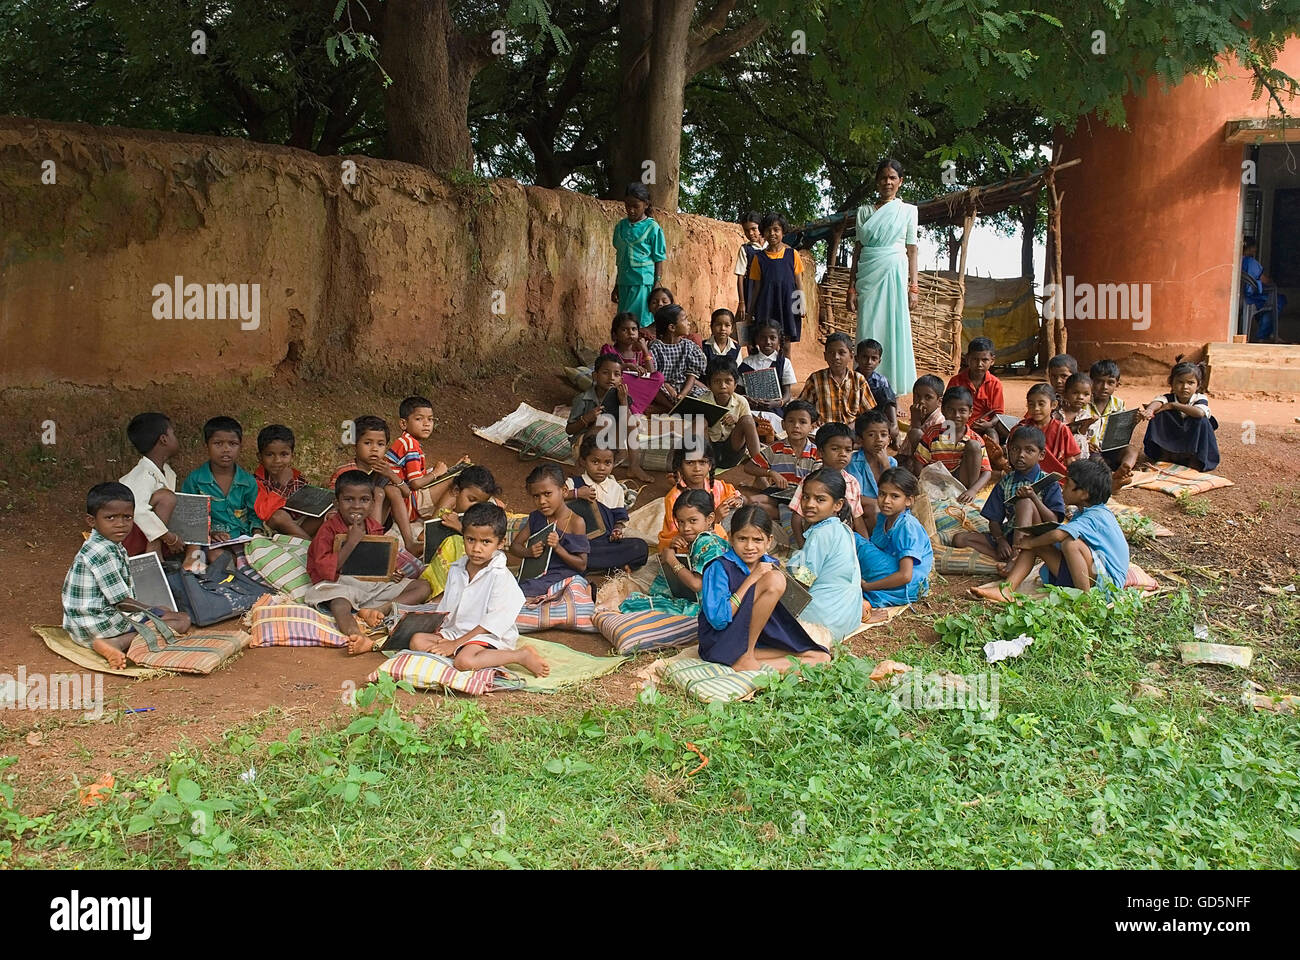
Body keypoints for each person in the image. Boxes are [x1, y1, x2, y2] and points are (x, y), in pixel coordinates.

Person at [351, 504, 550, 678]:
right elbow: (447, 606)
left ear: (500, 543)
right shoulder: (457, 568)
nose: (476, 548)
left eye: (486, 542)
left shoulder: (501, 577)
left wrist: (454, 646)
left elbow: (491, 624)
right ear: (463, 537)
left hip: (485, 636)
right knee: (417, 640)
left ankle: (520, 655)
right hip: (455, 632)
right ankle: (384, 645)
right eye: (471, 540)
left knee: (464, 662)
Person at [63, 482, 191, 669]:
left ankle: (119, 638)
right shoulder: (103, 552)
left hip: (80, 625)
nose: (120, 524)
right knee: (182, 620)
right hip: (98, 625)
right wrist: (150, 610)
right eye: (111, 518)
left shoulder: (103, 544)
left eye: (127, 517)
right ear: (91, 521)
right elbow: (122, 602)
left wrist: (155, 610)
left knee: (164, 611)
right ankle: (117, 643)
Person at [697, 505, 830, 672]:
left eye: (758, 540)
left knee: (821, 657)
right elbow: (719, 620)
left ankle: (749, 663)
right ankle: (747, 656)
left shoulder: (770, 563)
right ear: (731, 538)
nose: (749, 546)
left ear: (769, 541)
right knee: (775, 579)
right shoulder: (719, 568)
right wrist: (752, 580)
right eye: (742, 539)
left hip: (756, 639)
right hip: (721, 643)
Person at [973, 459, 1129, 600]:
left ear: (1083, 494)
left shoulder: (1097, 515)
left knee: (1070, 543)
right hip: (1090, 575)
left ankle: (1086, 602)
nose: (1063, 488)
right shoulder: (1082, 511)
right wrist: (1033, 542)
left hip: (1108, 586)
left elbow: (1059, 534)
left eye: (1068, 484)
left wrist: (1030, 543)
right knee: (1038, 543)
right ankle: (1006, 590)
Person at [303, 471, 422, 648]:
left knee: (422, 586)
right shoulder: (328, 531)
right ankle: (356, 636)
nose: (356, 506)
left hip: (371, 586)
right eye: (349, 499)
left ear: (373, 503)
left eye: (364, 500)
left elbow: (379, 562)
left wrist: (392, 573)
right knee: (339, 603)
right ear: (336, 503)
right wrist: (350, 542)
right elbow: (324, 570)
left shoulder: (374, 527)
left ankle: (378, 611)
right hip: (340, 585)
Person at [846, 158, 920, 391]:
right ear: (877, 182)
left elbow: (912, 249)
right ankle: (863, 390)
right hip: (868, 273)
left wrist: (914, 287)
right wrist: (851, 286)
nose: (887, 182)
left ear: (900, 182)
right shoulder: (864, 211)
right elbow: (857, 250)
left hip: (895, 273)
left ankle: (891, 393)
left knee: (893, 328)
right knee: (868, 328)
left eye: (892, 178)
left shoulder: (908, 211)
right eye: (883, 178)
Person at [952, 425, 1065, 569]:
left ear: (1041, 455)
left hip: (1038, 538)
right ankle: (1008, 556)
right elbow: (994, 521)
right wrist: (1001, 541)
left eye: (1029, 450)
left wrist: (1033, 498)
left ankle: (1015, 558)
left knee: (1024, 502)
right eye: (1015, 449)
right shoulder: (1006, 482)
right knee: (960, 539)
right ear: (1009, 451)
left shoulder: (1048, 482)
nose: (1021, 455)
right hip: (1010, 534)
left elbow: (1053, 521)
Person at [619, 489, 730, 617]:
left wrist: (672, 560)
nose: (686, 528)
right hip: (714, 603)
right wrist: (675, 549)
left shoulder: (706, 542)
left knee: (634, 603)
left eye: (693, 521)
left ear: (710, 518)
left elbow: (696, 585)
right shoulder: (706, 539)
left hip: (707, 608)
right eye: (681, 522)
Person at [787, 469, 864, 643]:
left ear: (837, 505)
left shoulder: (821, 534)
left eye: (820, 499)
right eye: (806, 497)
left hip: (822, 624)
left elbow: (804, 579)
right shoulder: (843, 529)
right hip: (847, 620)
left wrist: (781, 607)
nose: (809, 504)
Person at [329, 415, 421, 555]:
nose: (374, 449)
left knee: (391, 490)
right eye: (368, 443)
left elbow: (406, 493)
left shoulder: (381, 469)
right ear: (355, 445)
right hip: (349, 523)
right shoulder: (346, 472)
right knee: (378, 491)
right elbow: (332, 503)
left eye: (380, 444)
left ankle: (410, 543)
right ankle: (374, 544)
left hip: (373, 522)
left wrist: (391, 474)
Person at [181, 416, 261, 567]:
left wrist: (257, 534)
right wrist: (210, 534)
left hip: (243, 540)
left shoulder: (248, 481)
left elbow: (254, 515)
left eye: (232, 444)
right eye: (218, 443)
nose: (226, 449)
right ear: (207, 446)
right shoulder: (195, 480)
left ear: (240, 447)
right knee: (217, 557)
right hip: (211, 543)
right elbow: (189, 519)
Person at [566, 435, 649, 572]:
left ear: (613, 463)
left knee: (640, 547)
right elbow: (556, 499)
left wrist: (616, 530)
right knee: (563, 548)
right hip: (579, 542)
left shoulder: (616, 488)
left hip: (605, 544)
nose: (601, 468)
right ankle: (609, 566)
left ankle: (592, 565)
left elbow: (619, 518)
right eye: (595, 462)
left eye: (607, 463)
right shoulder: (573, 484)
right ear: (583, 461)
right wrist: (577, 493)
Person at [421, 465, 506, 596]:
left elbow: (491, 548)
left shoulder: (485, 522)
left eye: (480, 503)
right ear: (456, 491)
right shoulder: (446, 516)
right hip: (438, 574)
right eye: (471, 500)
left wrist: (459, 528)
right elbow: (422, 542)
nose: (474, 507)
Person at [856, 467, 933, 611]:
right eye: (882, 494)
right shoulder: (884, 518)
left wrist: (867, 586)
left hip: (906, 585)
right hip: (890, 571)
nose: (886, 501)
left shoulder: (906, 526)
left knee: (853, 539)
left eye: (894, 496)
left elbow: (905, 576)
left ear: (909, 500)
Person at [509, 464, 590, 598]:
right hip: (536, 574)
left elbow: (582, 565)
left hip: (563, 575)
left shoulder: (576, 522)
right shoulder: (536, 517)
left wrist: (558, 548)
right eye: (536, 496)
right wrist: (528, 552)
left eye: (547, 494)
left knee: (523, 591)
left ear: (564, 490)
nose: (542, 501)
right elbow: (514, 547)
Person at [118, 412, 184, 558]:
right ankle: (154, 553)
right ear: (164, 439)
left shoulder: (167, 471)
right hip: (126, 534)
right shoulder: (142, 474)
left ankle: (156, 550)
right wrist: (169, 538)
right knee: (167, 498)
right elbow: (138, 511)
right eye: (173, 433)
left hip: (144, 533)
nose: (176, 438)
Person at [909, 385, 991, 501]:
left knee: (974, 446)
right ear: (943, 410)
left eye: (962, 411)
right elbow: (919, 461)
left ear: (970, 412)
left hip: (962, 482)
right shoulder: (933, 433)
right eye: (951, 410)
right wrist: (922, 484)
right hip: (936, 482)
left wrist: (973, 490)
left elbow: (986, 472)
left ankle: (968, 495)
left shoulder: (975, 438)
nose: (956, 415)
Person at [790, 422, 867, 544]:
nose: (843, 454)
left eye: (848, 450)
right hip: (815, 540)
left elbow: (857, 518)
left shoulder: (852, 482)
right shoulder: (810, 481)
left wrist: (865, 544)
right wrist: (802, 547)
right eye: (835, 449)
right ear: (820, 452)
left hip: (843, 541)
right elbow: (797, 518)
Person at [658, 443, 744, 550]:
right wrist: (714, 520)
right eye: (690, 463)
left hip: (718, 534)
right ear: (680, 466)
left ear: (710, 465)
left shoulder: (716, 486)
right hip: (691, 543)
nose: (697, 468)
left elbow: (734, 494)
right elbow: (678, 533)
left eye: (702, 462)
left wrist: (737, 500)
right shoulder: (673, 498)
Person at [1140, 359, 1220, 472]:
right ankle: (1165, 455)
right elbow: (1157, 403)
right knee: (1159, 413)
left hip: (1192, 441)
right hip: (1173, 439)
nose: (1185, 387)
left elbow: (1199, 412)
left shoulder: (1200, 399)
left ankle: (1193, 458)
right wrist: (1149, 410)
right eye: (1180, 382)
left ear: (1198, 385)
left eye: (1190, 383)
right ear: (1171, 382)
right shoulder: (1167, 397)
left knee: (1201, 420)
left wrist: (1173, 405)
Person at [387, 396, 458, 522]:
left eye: (430, 419)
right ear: (403, 423)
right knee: (459, 481)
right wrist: (435, 473)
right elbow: (416, 483)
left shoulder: (405, 441)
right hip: (406, 504)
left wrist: (454, 467)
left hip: (402, 501)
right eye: (419, 419)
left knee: (455, 476)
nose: (426, 424)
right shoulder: (410, 445)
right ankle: (432, 524)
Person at [745, 398, 819, 518]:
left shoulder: (816, 452)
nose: (796, 426)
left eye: (802, 422)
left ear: (812, 426)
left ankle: (785, 516)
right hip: (778, 493)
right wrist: (771, 473)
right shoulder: (776, 448)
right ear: (783, 425)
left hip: (803, 497)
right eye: (791, 421)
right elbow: (749, 467)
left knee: (798, 513)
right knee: (753, 502)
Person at [610, 182, 666, 330]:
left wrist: (657, 283)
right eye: (627, 205)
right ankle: (625, 351)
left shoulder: (652, 228)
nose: (631, 210)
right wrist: (616, 285)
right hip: (624, 283)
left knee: (639, 321)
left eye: (636, 206)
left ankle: (642, 351)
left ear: (646, 205)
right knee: (623, 320)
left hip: (643, 283)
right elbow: (621, 259)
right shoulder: (620, 227)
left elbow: (658, 258)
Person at [746, 212, 804, 355]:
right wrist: (750, 312)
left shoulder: (793, 254)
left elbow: (799, 282)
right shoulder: (758, 258)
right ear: (763, 233)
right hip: (767, 306)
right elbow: (756, 288)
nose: (772, 233)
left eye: (776, 230)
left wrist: (801, 303)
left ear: (783, 232)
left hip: (787, 305)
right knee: (767, 346)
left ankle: (786, 376)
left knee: (786, 346)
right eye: (768, 230)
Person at [252, 424, 319, 540]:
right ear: (259, 457)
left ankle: (302, 540)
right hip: (270, 527)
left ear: (292, 455)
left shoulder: (297, 477)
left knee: (329, 513)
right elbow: (263, 514)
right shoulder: (256, 482)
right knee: (280, 516)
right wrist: (281, 486)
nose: (277, 460)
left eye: (284, 454)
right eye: (269, 454)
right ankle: (310, 544)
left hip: (296, 526)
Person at [799, 332, 874, 428]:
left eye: (842, 353)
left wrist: (852, 426)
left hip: (851, 431)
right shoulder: (815, 379)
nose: (836, 357)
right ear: (825, 356)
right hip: (823, 431)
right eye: (831, 353)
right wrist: (813, 421)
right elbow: (803, 407)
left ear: (851, 356)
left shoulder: (859, 380)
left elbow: (867, 413)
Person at [1085, 359, 1142, 485]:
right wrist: (1086, 442)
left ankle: (1126, 467)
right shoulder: (1084, 403)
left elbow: (1121, 431)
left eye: (1110, 383)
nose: (1104, 387)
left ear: (1117, 385)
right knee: (1094, 458)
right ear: (1091, 382)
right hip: (1090, 450)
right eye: (1099, 381)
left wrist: (1133, 423)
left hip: (1111, 449)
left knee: (1132, 450)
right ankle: (1111, 476)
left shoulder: (1119, 404)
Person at [738, 319, 797, 432]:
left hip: (775, 410)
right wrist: (747, 399)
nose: (768, 342)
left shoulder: (784, 363)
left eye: (772, 338)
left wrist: (777, 403)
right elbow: (738, 391)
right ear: (756, 339)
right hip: (750, 411)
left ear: (779, 340)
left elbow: (787, 394)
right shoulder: (747, 363)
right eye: (763, 338)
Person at [705, 356, 763, 470]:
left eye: (728, 381)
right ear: (709, 385)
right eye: (717, 381)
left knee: (747, 420)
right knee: (699, 421)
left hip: (732, 452)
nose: (723, 386)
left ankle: (759, 467)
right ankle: (691, 466)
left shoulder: (741, 401)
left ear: (735, 384)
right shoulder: (702, 401)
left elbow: (749, 426)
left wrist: (737, 421)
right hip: (708, 453)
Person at [600, 312, 664, 416]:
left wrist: (644, 349)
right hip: (618, 387)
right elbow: (606, 370)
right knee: (621, 378)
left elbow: (651, 372)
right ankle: (636, 409)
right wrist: (627, 366)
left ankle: (636, 408)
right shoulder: (609, 349)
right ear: (615, 334)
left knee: (659, 377)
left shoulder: (640, 353)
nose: (630, 333)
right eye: (624, 330)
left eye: (634, 329)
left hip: (636, 387)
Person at [1010, 383, 1080, 476]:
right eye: (1031, 404)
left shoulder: (1061, 429)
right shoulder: (1020, 428)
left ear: (1053, 405)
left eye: (1041, 404)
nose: (1036, 408)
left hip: (1055, 478)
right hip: (1024, 474)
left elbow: (1072, 457)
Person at [648, 304, 709, 409]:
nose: (688, 323)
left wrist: (683, 394)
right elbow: (653, 374)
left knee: (706, 395)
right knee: (652, 389)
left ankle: (681, 407)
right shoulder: (656, 347)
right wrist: (667, 386)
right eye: (685, 320)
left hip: (685, 387)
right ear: (672, 327)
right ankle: (672, 409)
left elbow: (692, 376)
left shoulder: (689, 346)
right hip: (663, 388)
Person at [848, 410, 897, 531]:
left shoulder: (891, 462)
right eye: (871, 435)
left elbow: (896, 489)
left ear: (889, 438)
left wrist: (885, 464)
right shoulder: (854, 463)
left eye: (883, 435)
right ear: (860, 440)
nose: (879, 439)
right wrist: (880, 503)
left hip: (886, 506)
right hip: (864, 512)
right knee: (874, 509)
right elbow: (856, 497)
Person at [949, 337, 1004, 432]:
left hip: (984, 427)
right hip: (958, 425)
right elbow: (947, 407)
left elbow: (998, 413)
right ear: (967, 359)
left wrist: (989, 424)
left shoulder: (995, 384)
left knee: (992, 433)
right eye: (975, 359)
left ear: (992, 360)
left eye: (985, 360)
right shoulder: (956, 381)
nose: (979, 364)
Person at [856, 338, 900, 444]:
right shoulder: (850, 378)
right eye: (865, 357)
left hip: (877, 418)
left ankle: (894, 429)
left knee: (885, 392)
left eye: (874, 358)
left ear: (879, 361)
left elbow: (890, 402)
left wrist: (893, 424)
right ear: (856, 358)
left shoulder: (881, 381)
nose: (869, 362)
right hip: (857, 419)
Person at [1242, 238, 1285, 342]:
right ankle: (1263, 335)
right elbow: (1264, 280)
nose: (1255, 250)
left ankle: (1266, 332)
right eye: (1254, 247)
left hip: (1241, 296)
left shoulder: (1237, 261)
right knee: (1278, 300)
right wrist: (1273, 283)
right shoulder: (1250, 262)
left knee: (1266, 305)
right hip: (1251, 297)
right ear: (1251, 248)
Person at [897, 374, 945, 461]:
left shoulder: (939, 423)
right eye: (917, 396)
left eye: (928, 397)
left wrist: (916, 424)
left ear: (939, 402)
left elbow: (923, 455)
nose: (921, 401)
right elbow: (906, 449)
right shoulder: (918, 414)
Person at [734, 211, 766, 319]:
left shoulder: (770, 247)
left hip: (767, 288)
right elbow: (740, 276)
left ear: (761, 227)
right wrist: (742, 302)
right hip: (751, 290)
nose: (750, 233)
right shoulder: (745, 249)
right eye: (747, 231)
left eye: (754, 229)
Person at [1059, 373, 1095, 452]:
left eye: (1086, 394)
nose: (1080, 397)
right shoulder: (1057, 414)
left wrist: (1086, 425)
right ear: (1065, 394)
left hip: (1079, 457)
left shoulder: (1086, 416)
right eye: (1075, 393)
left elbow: (1083, 439)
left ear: (1091, 397)